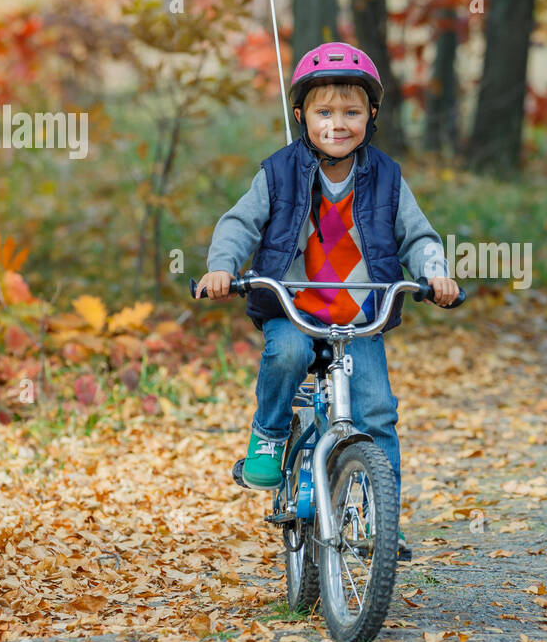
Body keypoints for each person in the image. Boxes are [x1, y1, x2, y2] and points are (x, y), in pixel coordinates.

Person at [195, 42, 458, 560]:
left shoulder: (386, 177)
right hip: (293, 307)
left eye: (352, 112)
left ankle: (383, 524)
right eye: (324, 112)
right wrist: (223, 267)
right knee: (288, 354)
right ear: (301, 116)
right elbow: (239, 224)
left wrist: (436, 273)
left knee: (377, 412)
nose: (338, 123)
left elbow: (419, 238)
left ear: (372, 115)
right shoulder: (279, 172)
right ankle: (270, 432)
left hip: (360, 318)